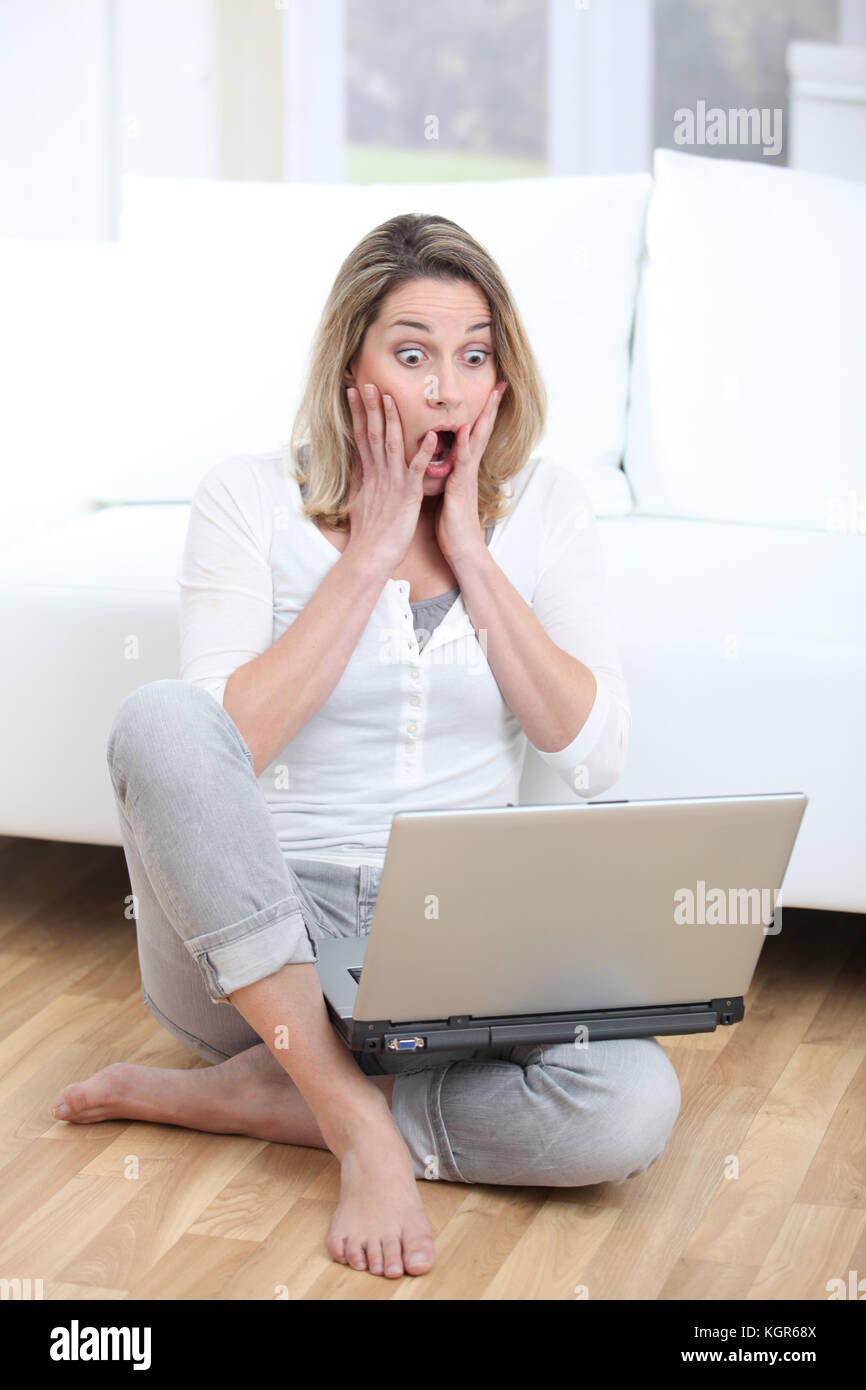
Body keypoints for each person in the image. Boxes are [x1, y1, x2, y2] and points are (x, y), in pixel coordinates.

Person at [50, 213, 681, 1282]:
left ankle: (265, 1093)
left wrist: (472, 556)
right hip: (254, 947)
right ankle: (350, 1118)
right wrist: (371, 553)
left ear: (500, 380)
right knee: (158, 714)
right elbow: (212, 750)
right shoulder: (246, 497)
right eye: (411, 352)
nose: (444, 388)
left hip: (449, 947)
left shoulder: (547, 510)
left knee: (628, 1103)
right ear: (351, 366)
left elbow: (590, 755)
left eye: (472, 356)